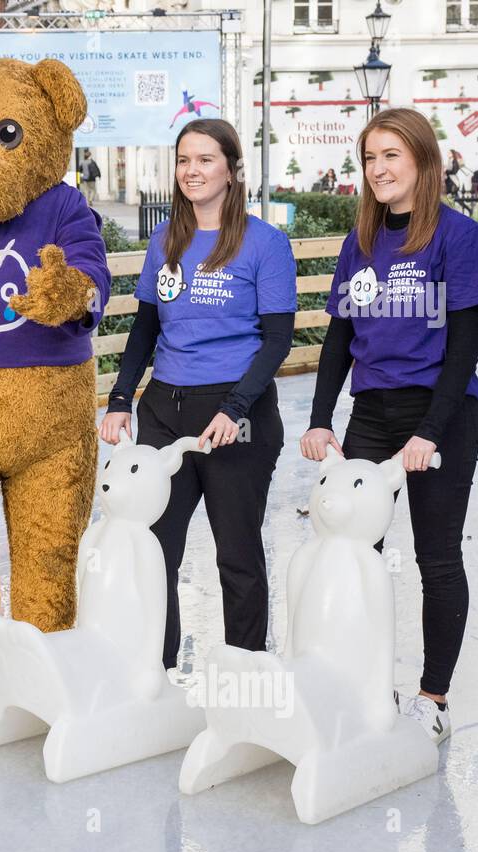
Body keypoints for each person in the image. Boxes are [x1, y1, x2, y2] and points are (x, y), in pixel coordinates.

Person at [300, 107, 478, 744]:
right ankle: (363, 680)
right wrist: (321, 419)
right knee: (355, 556)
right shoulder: (361, 241)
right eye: (369, 158)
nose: (378, 169)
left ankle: (433, 697)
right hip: (373, 415)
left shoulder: (459, 238)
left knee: (437, 559)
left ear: (422, 163)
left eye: (391, 156)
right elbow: (338, 337)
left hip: (440, 414)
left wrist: (431, 432)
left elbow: (464, 345)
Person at [100, 118, 297, 678]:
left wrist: (235, 408)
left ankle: (245, 675)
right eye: (184, 160)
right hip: (164, 408)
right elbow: (144, 329)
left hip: (236, 412)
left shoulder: (265, 243)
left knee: (236, 554)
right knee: (155, 549)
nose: (192, 171)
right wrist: (119, 399)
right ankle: (156, 673)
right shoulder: (166, 239)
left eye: (206, 160)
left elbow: (278, 339)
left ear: (232, 170)